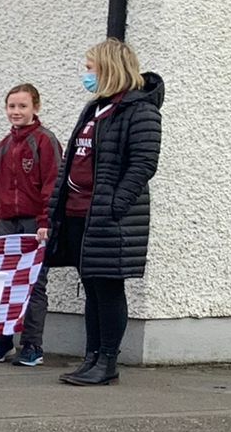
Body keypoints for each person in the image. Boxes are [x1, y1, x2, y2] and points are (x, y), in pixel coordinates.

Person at [51, 40, 163, 387]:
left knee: (108, 287)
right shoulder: (95, 109)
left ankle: (108, 360)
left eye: (90, 68)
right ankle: (92, 357)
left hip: (107, 216)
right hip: (78, 212)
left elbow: (143, 163)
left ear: (109, 69)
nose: (86, 75)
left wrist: (115, 204)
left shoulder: (139, 111)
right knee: (91, 285)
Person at [0, 84, 62, 367]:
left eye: (22, 107)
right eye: (12, 107)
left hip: (33, 223)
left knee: (33, 284)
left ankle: (32, 344)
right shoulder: (3, 146)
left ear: (35, 108)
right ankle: (3, 341)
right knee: (4, 284)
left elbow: (52, 184)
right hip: (7, 223)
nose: (16, 112)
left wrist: (45, 221)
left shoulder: (44, 141)